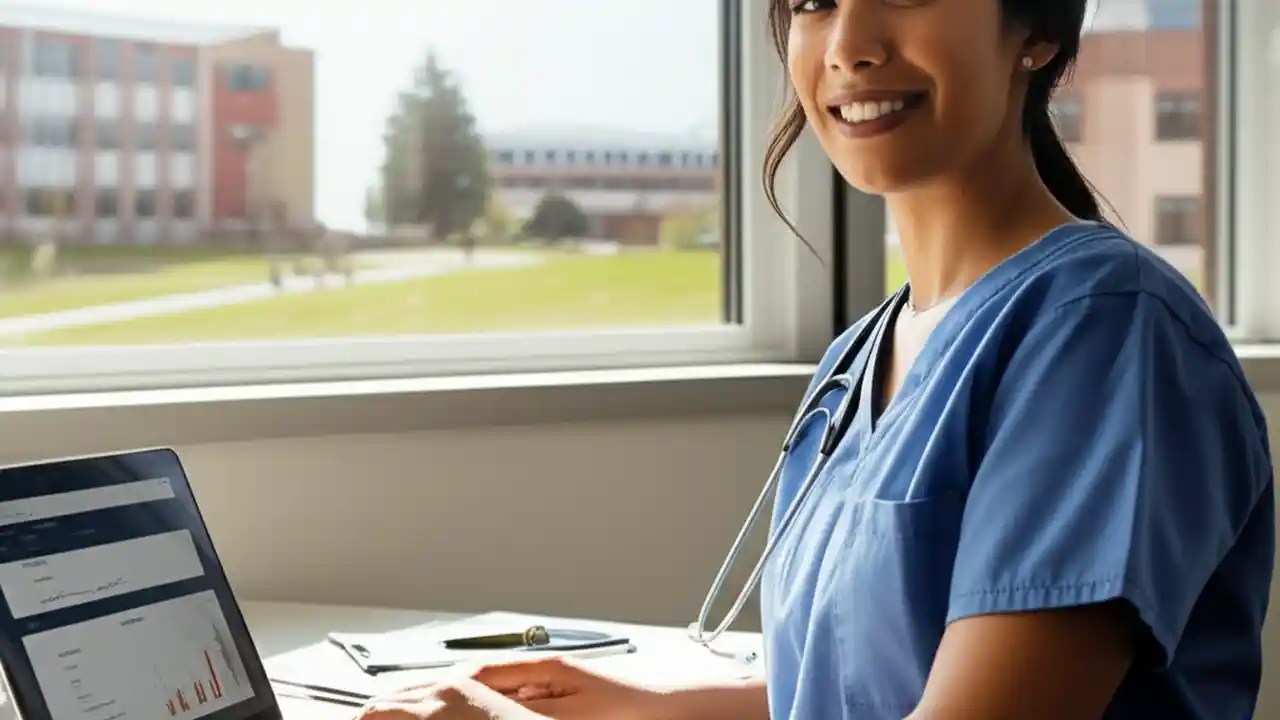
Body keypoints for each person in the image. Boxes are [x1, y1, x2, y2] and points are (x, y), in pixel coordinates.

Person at [354, 0, 1275, 717]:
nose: (849, 45)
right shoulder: (861, 354)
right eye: (813, 2)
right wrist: (651, 711)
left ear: (1034, 27)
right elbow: (863, 692)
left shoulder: (1107, 331)